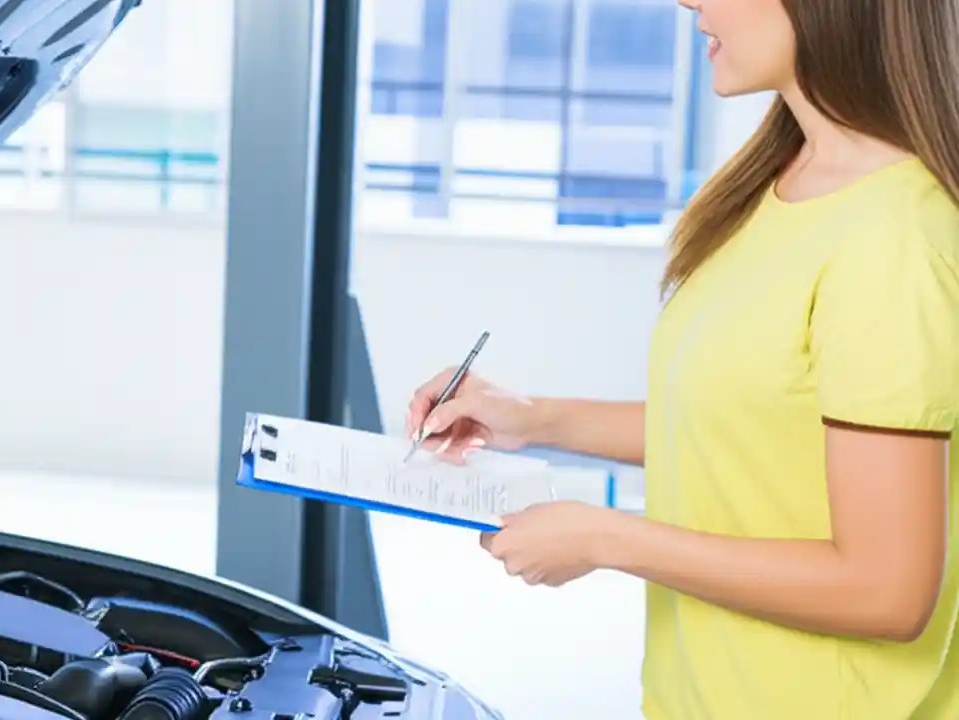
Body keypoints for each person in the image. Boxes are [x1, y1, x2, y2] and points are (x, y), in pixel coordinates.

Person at [405, 1, 959, 718]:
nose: (690, 0)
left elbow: (885, 591)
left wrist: (606, 537)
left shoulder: (897, 240)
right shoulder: (775, 185)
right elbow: (745, 428)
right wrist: (528, 418)